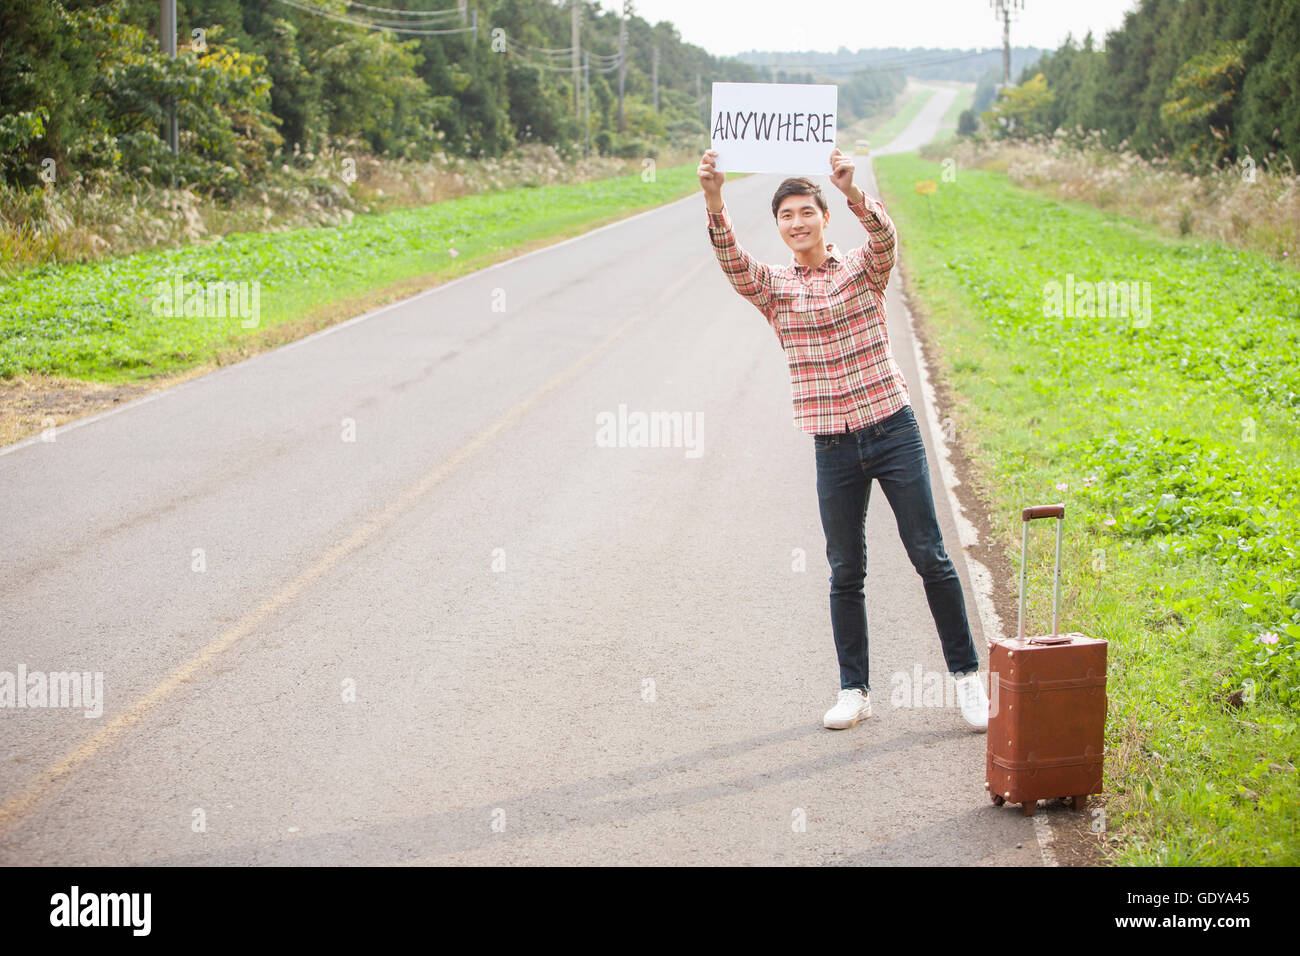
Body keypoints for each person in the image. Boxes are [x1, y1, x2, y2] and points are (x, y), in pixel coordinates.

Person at [697, 145, 990, 732]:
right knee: (844, 568)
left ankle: (967, 681)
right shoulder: (774, 287)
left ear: (825, 218)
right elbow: (732, 262)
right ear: (779, 227)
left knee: (929, 555)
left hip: (892, 428)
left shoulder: (861, 268)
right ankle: (854, 689)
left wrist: (853, 191)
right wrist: (713, 195)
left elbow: (886, 239)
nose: (798, 222)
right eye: (786, 215)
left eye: (807, 211)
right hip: (832, 445)